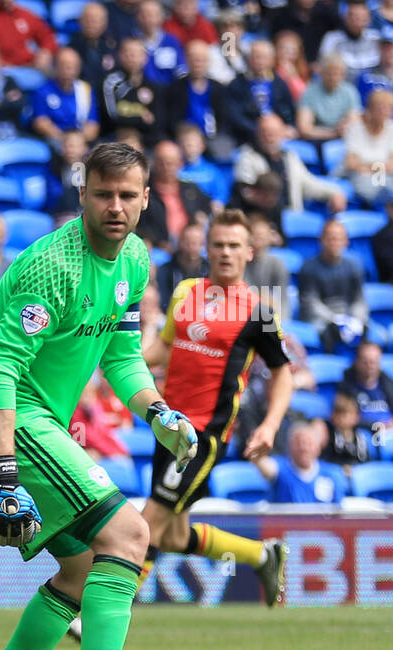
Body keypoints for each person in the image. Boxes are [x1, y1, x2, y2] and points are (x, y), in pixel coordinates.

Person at [0, 142, 198, 650]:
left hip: (36, 422)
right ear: (82, 195)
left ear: (145, 201)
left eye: (127, 195)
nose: (116, 206)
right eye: (103, 194)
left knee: (82, 569)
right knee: (131, 533)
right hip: (3, 417)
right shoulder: (51, 266)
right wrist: (4, 475)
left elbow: (122, 354)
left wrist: (156, 411)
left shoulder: (136, 260)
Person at [117, 211, 292, 614]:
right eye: (219, 244)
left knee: (148, 524)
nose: (226, 252)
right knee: (175, 536)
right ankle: (263, 556)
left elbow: (283, 373)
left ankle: (98, 613)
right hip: (166, 424)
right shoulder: (186, 292)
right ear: (206, 247)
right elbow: (163, 349)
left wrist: (269, 425)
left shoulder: (258, 312)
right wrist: (121, 367)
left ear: (250, 252)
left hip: (202, 438)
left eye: (234, 245)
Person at [299, 218, 368, 350]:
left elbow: (359, 299)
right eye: (330, 238)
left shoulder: (353, 266)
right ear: (321, 240)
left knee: (364, 329)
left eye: (338, 239)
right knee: (327, 333)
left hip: (348, 315)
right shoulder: (309, 267)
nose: (334, 243)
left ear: (346, 241)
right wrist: (335, 319)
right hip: (320, 319)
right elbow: (310, 303)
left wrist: (354, 319)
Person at [252, 421, 348, 503]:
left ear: (318, 448)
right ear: (289, 446)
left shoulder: (332, 474)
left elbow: (338, 512)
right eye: (299, 443)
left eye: (309, 443)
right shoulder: (281, 469)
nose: (304, 448)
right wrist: (256, 451)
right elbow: (265, 466)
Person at [100, 37, 169, 148]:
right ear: (119, 55)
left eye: (136, 53)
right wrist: (141, 118)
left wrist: (129, 122)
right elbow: (111, 118)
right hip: (114, 140)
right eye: (127, 53)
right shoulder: (111, 83)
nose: (131, 57)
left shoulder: (153, 87)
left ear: (145, 57)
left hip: (146, 143)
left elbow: (157, 122)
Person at [30, 46, 100, 151]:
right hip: (56, 140)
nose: (68, 70)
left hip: (80, 140)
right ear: (55, 66)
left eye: (72, 66)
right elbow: (40, 123)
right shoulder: (43, 91)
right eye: (64, 65)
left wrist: (78, 141)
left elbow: (93, 126)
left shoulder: (85, 90)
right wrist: (67, 140)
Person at [0, 0, 58, 73]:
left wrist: (45, 52)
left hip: (29, 66)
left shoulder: (25, 14)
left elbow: (47, 36)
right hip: (0, 69)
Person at [297, 54, 362, 143]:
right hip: (316, 140)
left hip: (342, 139)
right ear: (321, 73)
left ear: (343, 75)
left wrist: (345, 127)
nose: (332, 78)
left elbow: (354, 122)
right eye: (329, 73)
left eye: (336, 74)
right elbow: (304, 129)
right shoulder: (309, 92)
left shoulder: (350, 92)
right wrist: (333, 133)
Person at [340, 340, 393, 430]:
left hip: (391, 432)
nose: (370, 366)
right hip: (363, 432)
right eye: (365, 362)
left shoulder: (389, 384)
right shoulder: (346, 386)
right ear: (356, 362)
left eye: (373, 362)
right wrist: (375, 426)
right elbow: (346, 417)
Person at [320, 389, 373, 471]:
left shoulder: (360, 437)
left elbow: (366, 461)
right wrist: (341, 468)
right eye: (338, 413)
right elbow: (326, 460)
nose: (341, 418)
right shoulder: (329, 437)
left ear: (356, 417)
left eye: (345, 414)